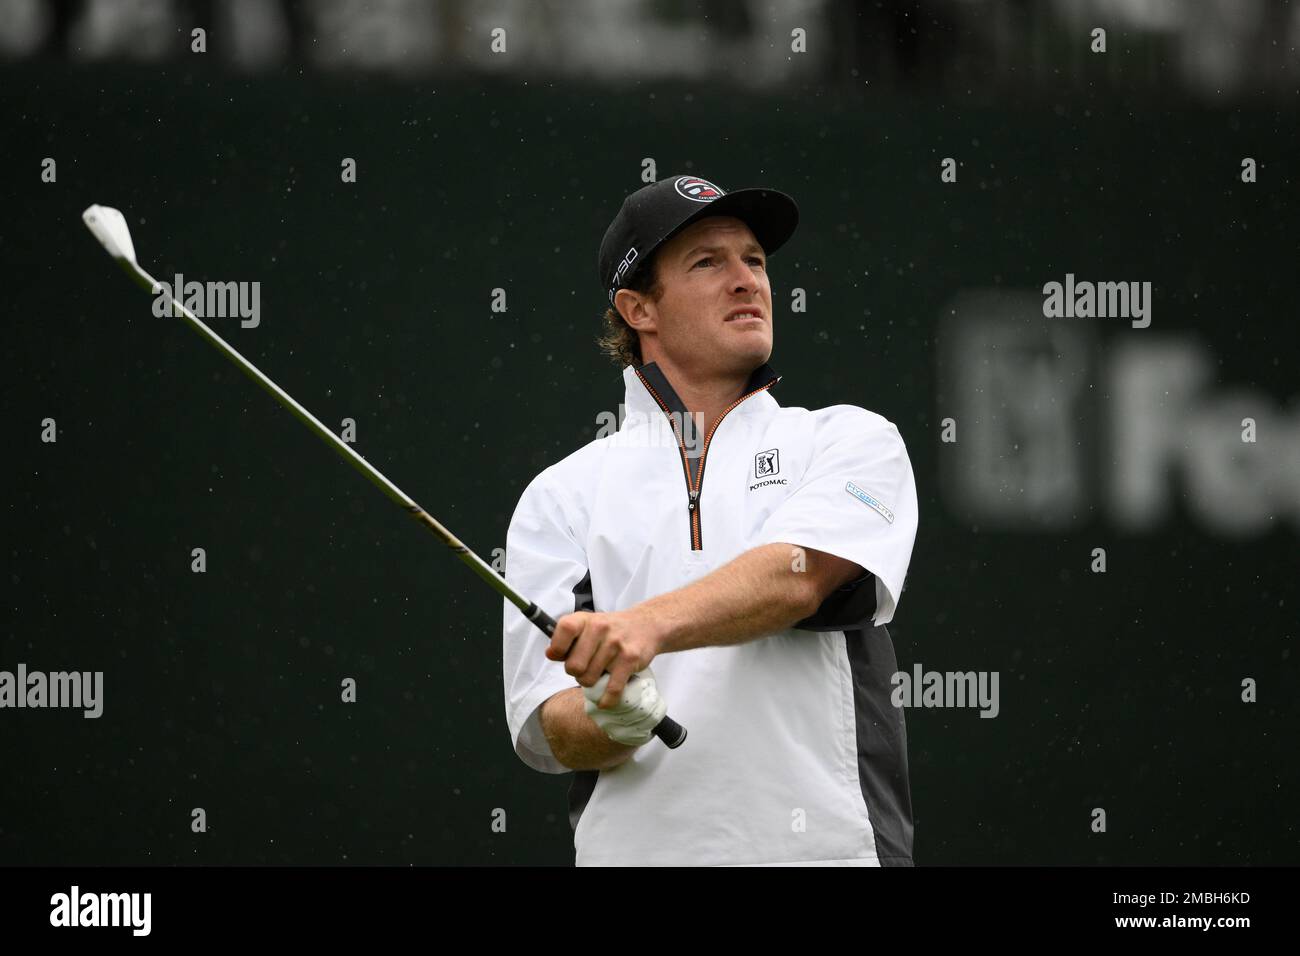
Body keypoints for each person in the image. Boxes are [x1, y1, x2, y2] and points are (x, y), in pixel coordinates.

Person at [502, 174, 919, 866]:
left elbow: (798, 580)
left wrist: (643, 626)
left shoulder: (849, 440)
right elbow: (550, 725)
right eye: (708, 262)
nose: (746, 280)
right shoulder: (561, 495)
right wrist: (613, 717)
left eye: (754, 260)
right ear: (639, 309)